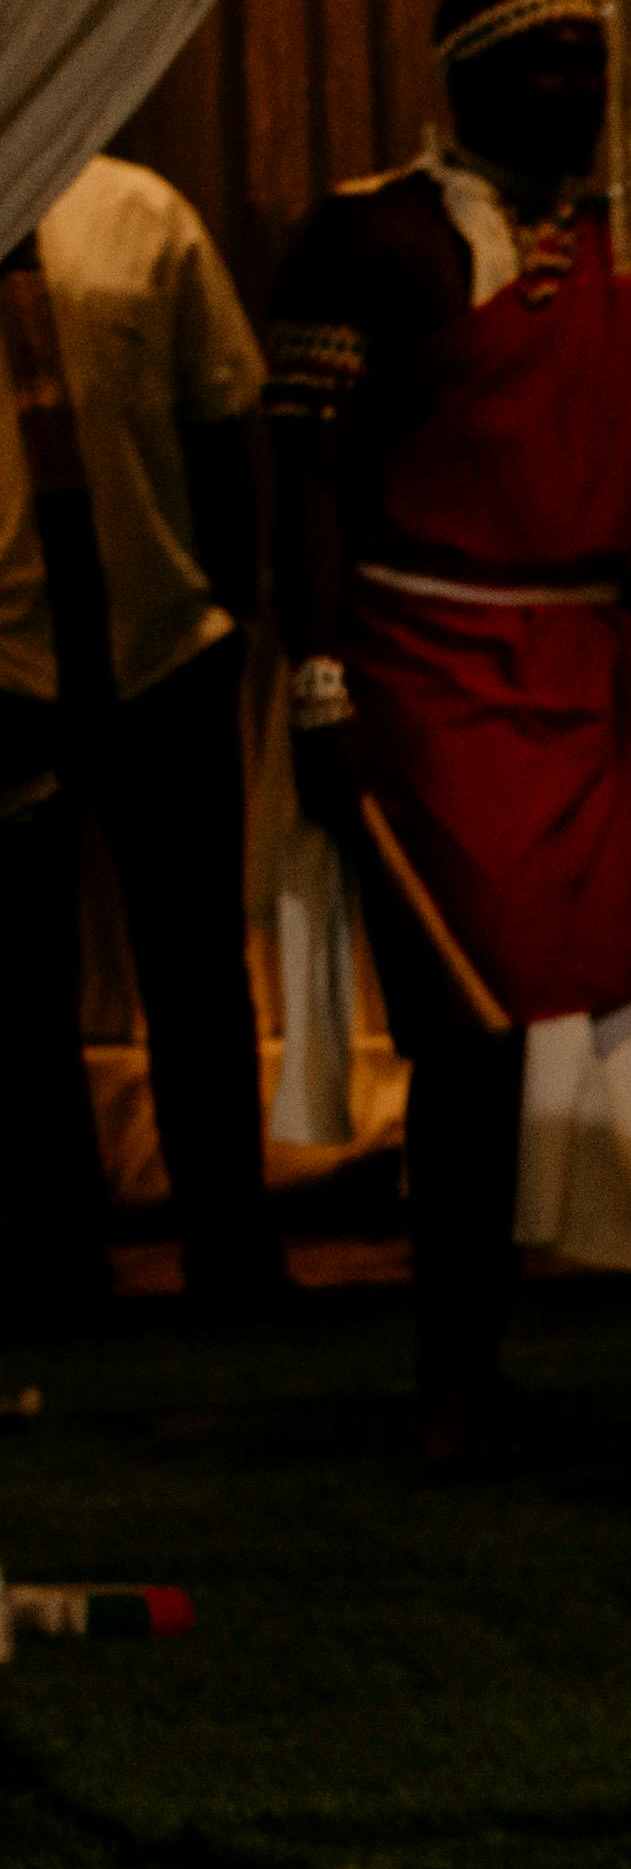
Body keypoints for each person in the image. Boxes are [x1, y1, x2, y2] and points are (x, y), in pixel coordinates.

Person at [263, 0, 631, 1455]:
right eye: (538, 68)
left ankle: (486, 1348)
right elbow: (305, 478)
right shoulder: (368, 236)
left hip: (585, 675)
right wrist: (317, 680)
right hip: (425, 667)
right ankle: (448, 1370)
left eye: (591, 65)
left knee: (537, 1025)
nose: (574, 94)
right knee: (461, 1024)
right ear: (458, 83)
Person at [3, 149, 280, 1318]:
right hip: (2, 660)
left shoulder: (139, 209)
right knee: (15, 977)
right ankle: (52, 1256)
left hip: (159, 638)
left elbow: (220, 410)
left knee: (196, 966)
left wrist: (229, 608)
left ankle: (232, 1253)